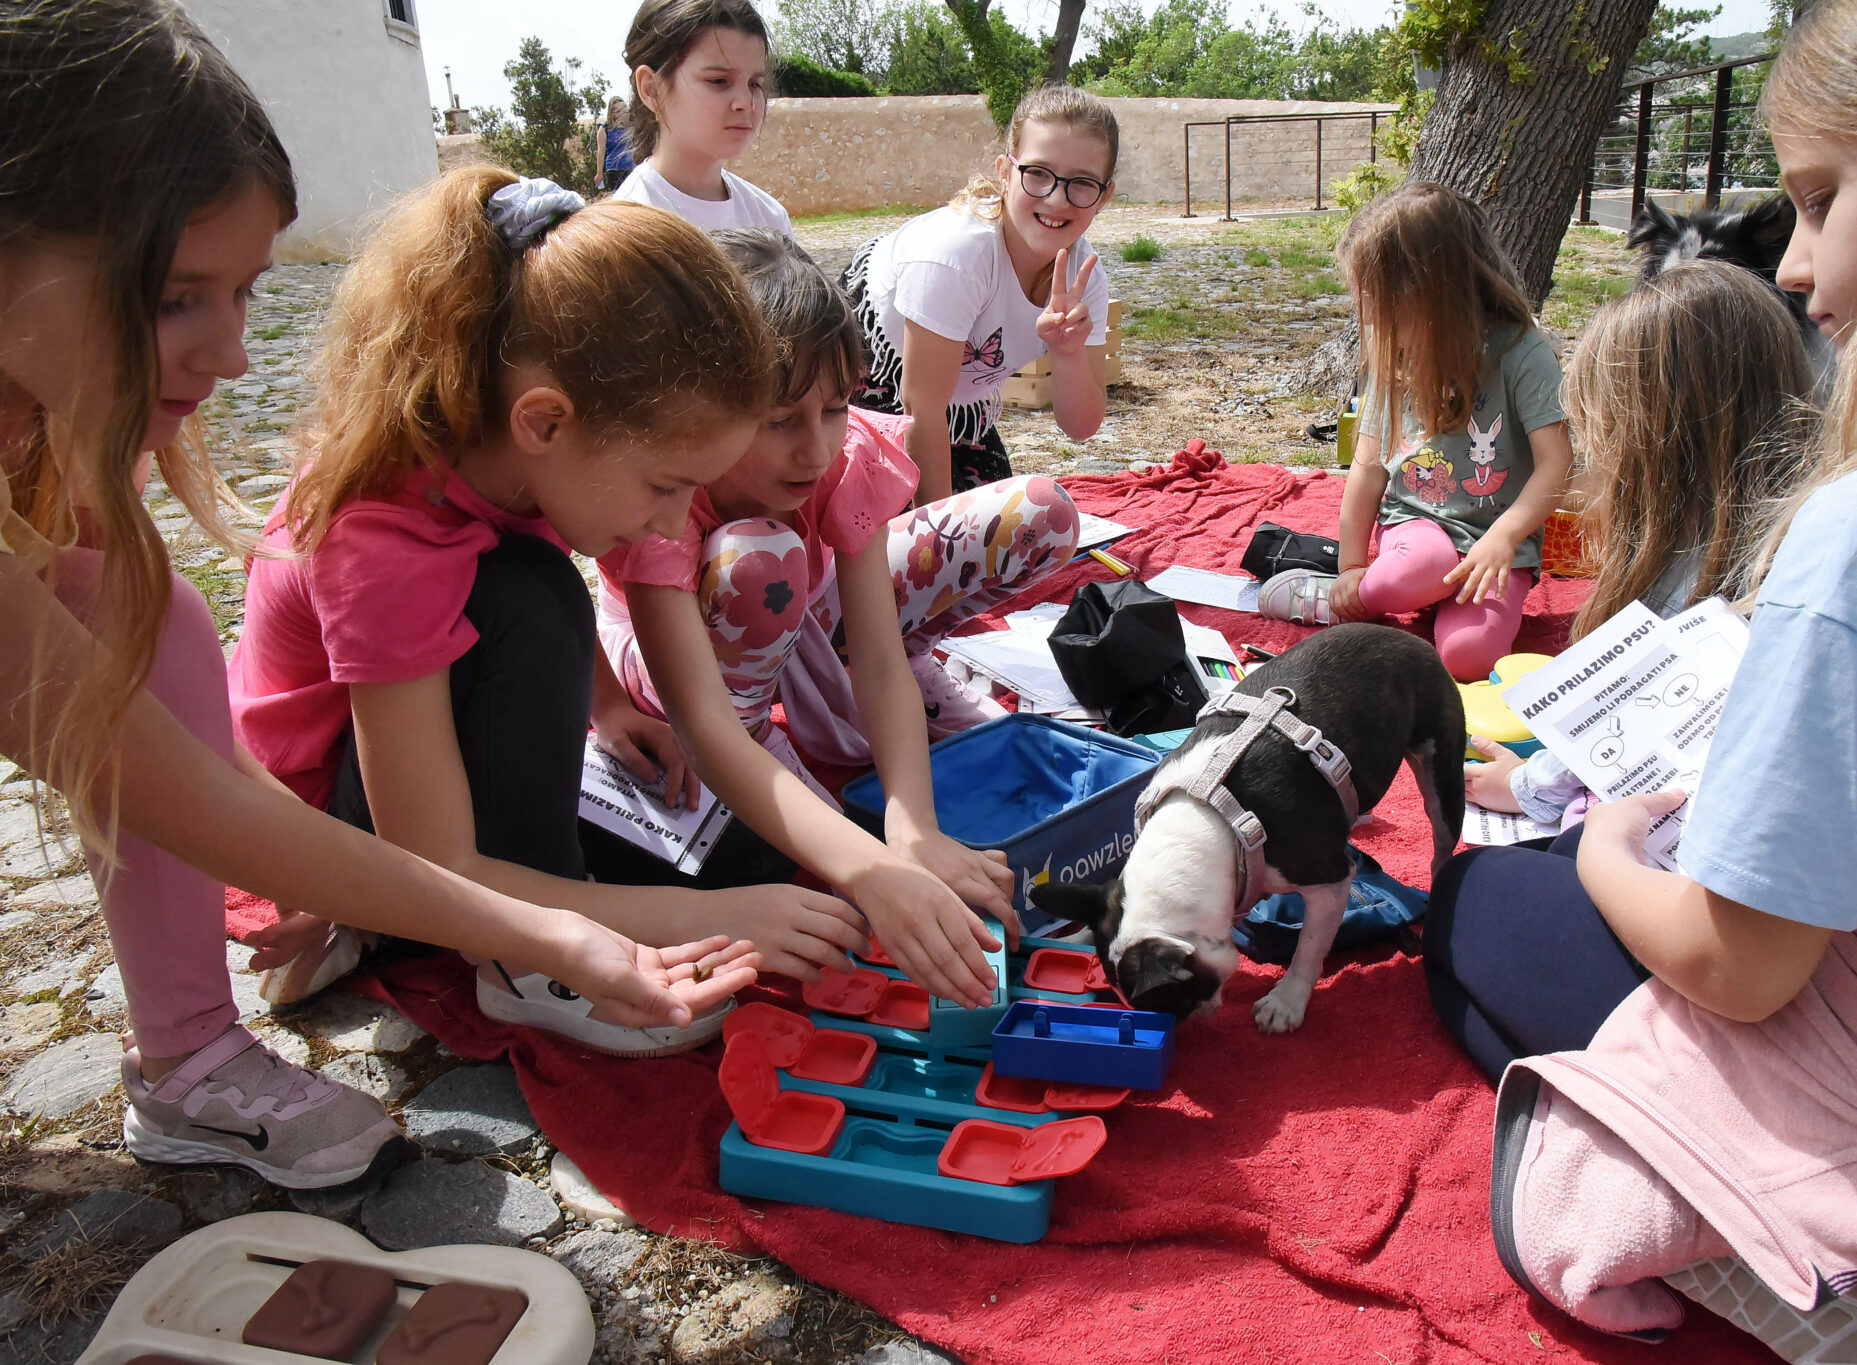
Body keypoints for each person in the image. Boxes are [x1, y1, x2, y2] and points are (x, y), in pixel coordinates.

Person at [0, 0, 756, 1190]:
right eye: (175, 297)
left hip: (339, 836)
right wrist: (564, 932)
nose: (230, 355)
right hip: (360, 833)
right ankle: (209, 1038)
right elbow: (183, 790)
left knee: (152, 609)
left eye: (245, 295)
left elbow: (181, 753)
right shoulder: (377, 520)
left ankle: (191, 1048)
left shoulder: (67, 425)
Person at [1472, 0, 1857, 1348]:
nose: (1790, 263)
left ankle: (1826, 1267)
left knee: (1485, 912)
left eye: (1821, 198)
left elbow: (1741, 967)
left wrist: (1607, 844)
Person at [227, 166, 867, 1058]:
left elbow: (667, 696)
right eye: (666, 486)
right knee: (536, 597)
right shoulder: (380, 537)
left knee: (744, 859)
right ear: (546, 421)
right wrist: (705, 917)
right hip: (332, 842)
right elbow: (435, 866)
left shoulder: (528, 451)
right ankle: (521, 964)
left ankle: (540, 910)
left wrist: (608, 703)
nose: (675, 524)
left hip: (416, 780)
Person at [598, 230, 1080, 1008]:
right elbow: (705, 726)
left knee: (1043, 511)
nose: (816, 448)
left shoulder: (840, 454)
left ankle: (841, 685)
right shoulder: (663, 499)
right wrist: (865, 862)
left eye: (833, 408)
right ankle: (779, 750)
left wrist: (912, 826)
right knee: (759, 563)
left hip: (804, 605)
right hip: (697, 655)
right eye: (779, 420)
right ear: (700, 410)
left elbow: (879, 660)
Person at [1458, 260, 1812, 831]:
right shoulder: (1794, 530)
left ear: (1650, 437)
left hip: (1686, 841)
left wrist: (1528, 787)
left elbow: (1626, 714)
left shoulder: (1686, 570)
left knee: (1472, 883)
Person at [1260, 183, 1572, 684]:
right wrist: (1350, 573)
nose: (1369, 316)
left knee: (1469, 658)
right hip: (1416, 530)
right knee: (1423, 565)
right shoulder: (1394, 358)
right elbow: (1366, 471)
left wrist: (1505, 537)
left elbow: (1556, 462)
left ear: (1428, 292)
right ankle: (1333, 600)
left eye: (1378, 300)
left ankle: (1432, 599)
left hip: (1493, 548)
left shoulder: (1522, 352)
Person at [842, 85, 1116, 503]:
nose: (1057, 198)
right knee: (879, 523)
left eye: (1081, 183)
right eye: (1038, 173)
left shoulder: (1084, 277)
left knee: (1009, 526)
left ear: (1104, 195)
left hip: (954, 401)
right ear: (1005, 172)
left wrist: (1068, 352)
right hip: (867, 364)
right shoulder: (958, 255)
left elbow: (1081, 427)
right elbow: (921, 409)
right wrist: (937, 534)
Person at [611, 0, 791, 235]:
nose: (746, 102)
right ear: (652, 89)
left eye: (754, 84)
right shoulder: (627, 231)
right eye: (719, 81)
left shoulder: (769, 217)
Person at [601, 96, 635, 193]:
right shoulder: (605, 129)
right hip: (614, 169)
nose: (623, 112)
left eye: (624, 108)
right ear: (613, 114)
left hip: (630, 167)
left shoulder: (631, 127)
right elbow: (601, 151)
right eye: (619, 111)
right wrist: (599, 172)